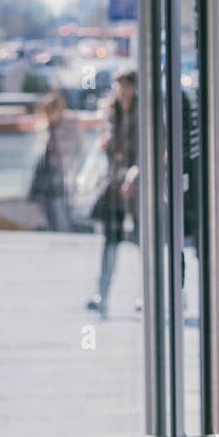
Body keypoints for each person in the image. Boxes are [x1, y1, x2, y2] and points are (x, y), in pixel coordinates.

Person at [87, 70, 138, 319]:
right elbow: (102, 142)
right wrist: (104, 142)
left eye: (126, 85)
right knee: (110, 241)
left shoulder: (143, 113)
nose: (121, 90)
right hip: (114, 184)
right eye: (119, 86)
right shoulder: (112, 112)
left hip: (137, 187)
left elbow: (153, 148)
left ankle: (150, 295)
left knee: (144, 243)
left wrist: (135, 176)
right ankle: (102, 295)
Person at [30, 89, 75, 232]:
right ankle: (54, 233)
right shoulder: (44, 128)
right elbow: (38, 153)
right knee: (48, 208)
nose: (48, 115)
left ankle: (64, 233)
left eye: (51, 111)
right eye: (46, 111)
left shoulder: (70, 127)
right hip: (46, 174)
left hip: (63, 173)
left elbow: (79, 151)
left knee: (62, 208)